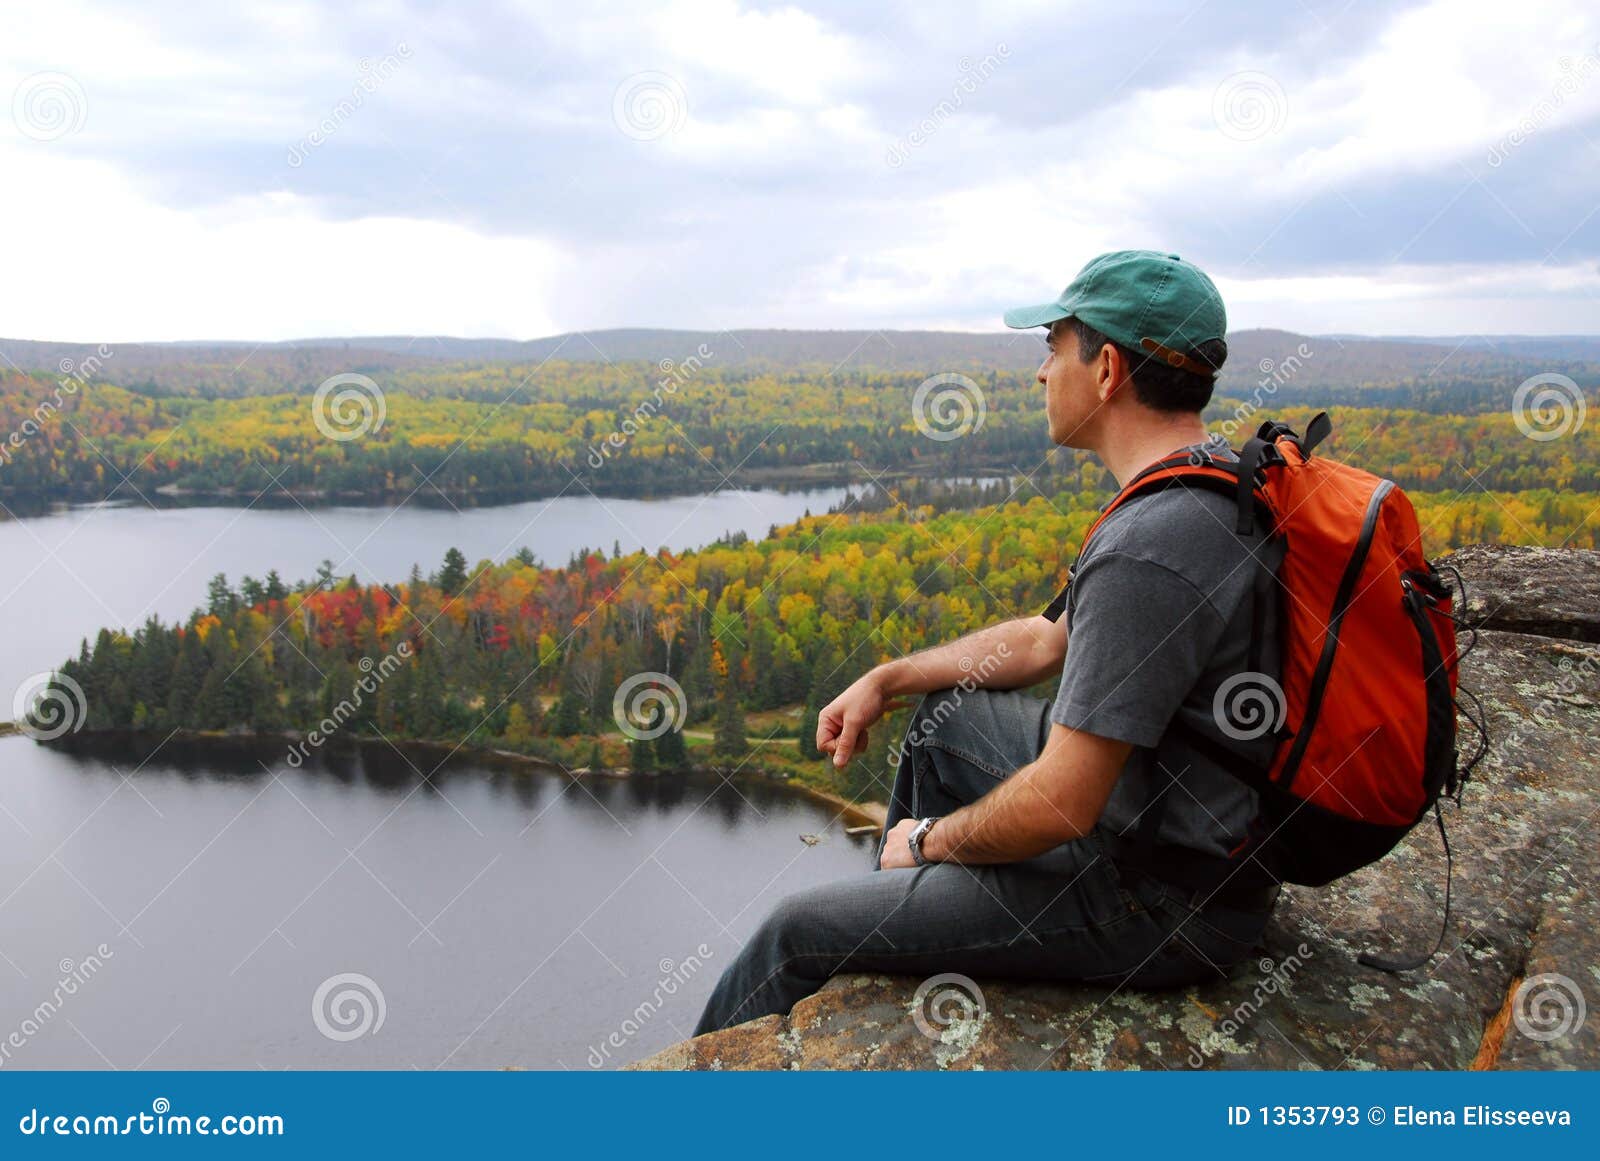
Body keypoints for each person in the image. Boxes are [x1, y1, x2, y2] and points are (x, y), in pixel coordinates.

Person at [694, 250, 1285, 1036]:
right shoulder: (1209, 478)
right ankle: (902, 921)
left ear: (1105, 369)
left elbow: (1063, 801)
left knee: (791, 934)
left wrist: (931, 840)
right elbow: (1045, 642)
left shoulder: (1152, 544)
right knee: (947, 719)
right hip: (1172, 811)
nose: (1041, 373)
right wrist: (891, 675)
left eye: (1052, 345)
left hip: (1163, 896)